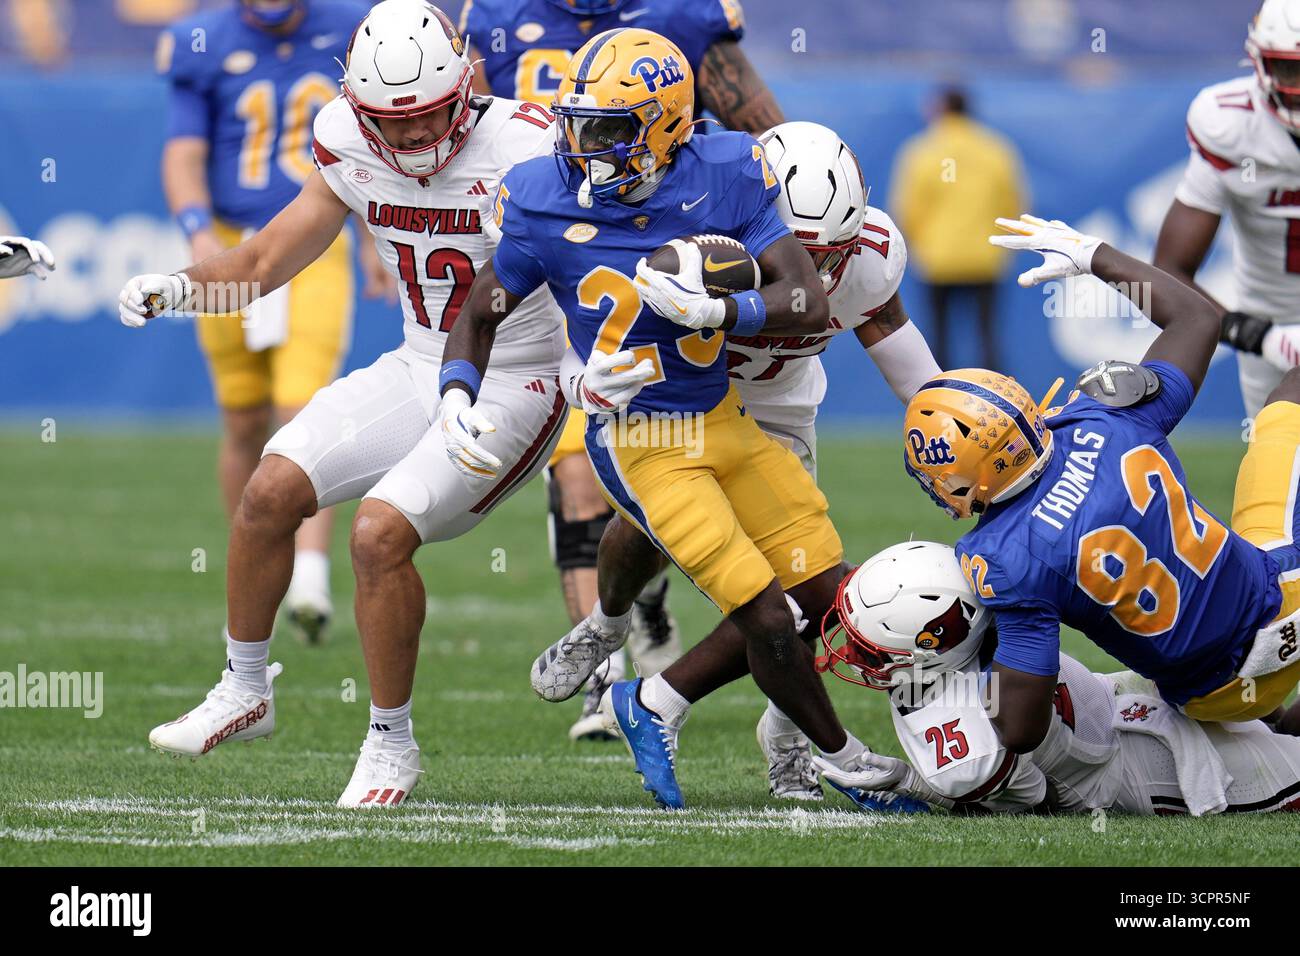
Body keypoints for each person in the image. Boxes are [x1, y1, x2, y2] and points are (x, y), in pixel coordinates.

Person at [120, 0, 568, 808]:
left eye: (424, 119)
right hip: (419, 360)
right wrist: (181, 290)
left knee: (377, 534)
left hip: (520, 375)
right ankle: (244, 688)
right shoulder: (346, 136)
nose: (404, 142)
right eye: (387, 125)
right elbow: (264, 259)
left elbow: (586, 266)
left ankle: (390, 745)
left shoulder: (528, 144)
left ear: (465, 85)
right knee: (268, 489)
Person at [438, 28, 876, 810]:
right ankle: (845, 757)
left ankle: (638, 676)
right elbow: (482, 310)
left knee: (831, 600)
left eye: (608, 128)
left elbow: (805, 296)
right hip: (640, 435)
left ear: (669, 125)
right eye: (578, 122)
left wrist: (721, 307)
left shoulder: (726, 173)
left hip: (727, 416)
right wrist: (457, 393)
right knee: (766, 613)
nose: (583, 145)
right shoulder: (540, 195)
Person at [547, 120, 940, 802]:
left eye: (829, 256)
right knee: (652, 529)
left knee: (798, 594)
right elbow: (592, 320)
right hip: (685, 407)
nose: (814, 277)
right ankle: (611, 627)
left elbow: (905, 359)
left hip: (780, 413)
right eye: (798, 254)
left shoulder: (872, 256)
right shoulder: (689, 226)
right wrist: (581, 379)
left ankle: (786, 745)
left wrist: (955, 424)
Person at [458, 0, 783, 740]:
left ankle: (644, 600)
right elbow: (451, 124)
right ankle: (602, 678)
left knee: (671, 490)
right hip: (553, 255)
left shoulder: (683, 18)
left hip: (667, 278)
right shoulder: (498, 17)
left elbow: (763, 124)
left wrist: (787, 208)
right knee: (579, 477)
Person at [899, 212, 1300, 759]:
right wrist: (1095, 257)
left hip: (1209, 698)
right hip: (1284, 604)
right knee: (1293, 390)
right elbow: (1197, 319)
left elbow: (1020, 729)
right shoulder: (1103, 419)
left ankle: (1281, 741)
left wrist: (961, 668)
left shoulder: (1003, 557)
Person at [157, 0, 390, 644]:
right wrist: (198, 230)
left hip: (309, 243)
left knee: (302, 408)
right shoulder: (200, 39)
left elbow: (380, 143)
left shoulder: (349, 27)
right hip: (231, 243)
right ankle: (257, 568)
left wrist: (373, 239)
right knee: (242, 418)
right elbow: (183, 151)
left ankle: (310, 574)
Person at [814, 542, 1300, 817]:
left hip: (1139, 766)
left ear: (935, 640)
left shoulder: (968, 740)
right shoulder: (993, 590)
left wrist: (921, 787)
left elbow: (1043, 804)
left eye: (868, 648)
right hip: (1120, 710)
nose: (855, 659)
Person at [1154, 0, 1300, 420]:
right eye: (1291, 68)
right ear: (1258, 60)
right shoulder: (1229, 123)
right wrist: (1252, 333)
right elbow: (1170, 268)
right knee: (1278, 473)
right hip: (1267, 322)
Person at [889, 86, 1026, 371]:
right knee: (988, 339)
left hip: (938, 260)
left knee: (938, 343)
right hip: (986, 259)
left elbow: (908, 208)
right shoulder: (995, 150)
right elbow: (1013, 202)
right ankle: (998, 404)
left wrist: (918, 246)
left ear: (941, 108)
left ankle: (938, 403)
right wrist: (1004, 247)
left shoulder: (923, 151)